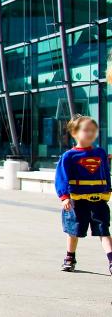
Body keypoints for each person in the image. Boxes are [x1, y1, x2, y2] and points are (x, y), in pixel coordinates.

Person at [55, 114, 112, 273]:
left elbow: (105, 172)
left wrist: (108, 188)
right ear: (74, 133)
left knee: (104, 230)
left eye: (94, 130)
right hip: (77, 201)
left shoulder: (100, 153)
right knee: (74, 230)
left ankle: (111, 259)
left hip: (98, 200)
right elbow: (61, 177)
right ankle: (70, 256)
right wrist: (64, 197)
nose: (91, 133)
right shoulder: (69, 156)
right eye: (86, 130)